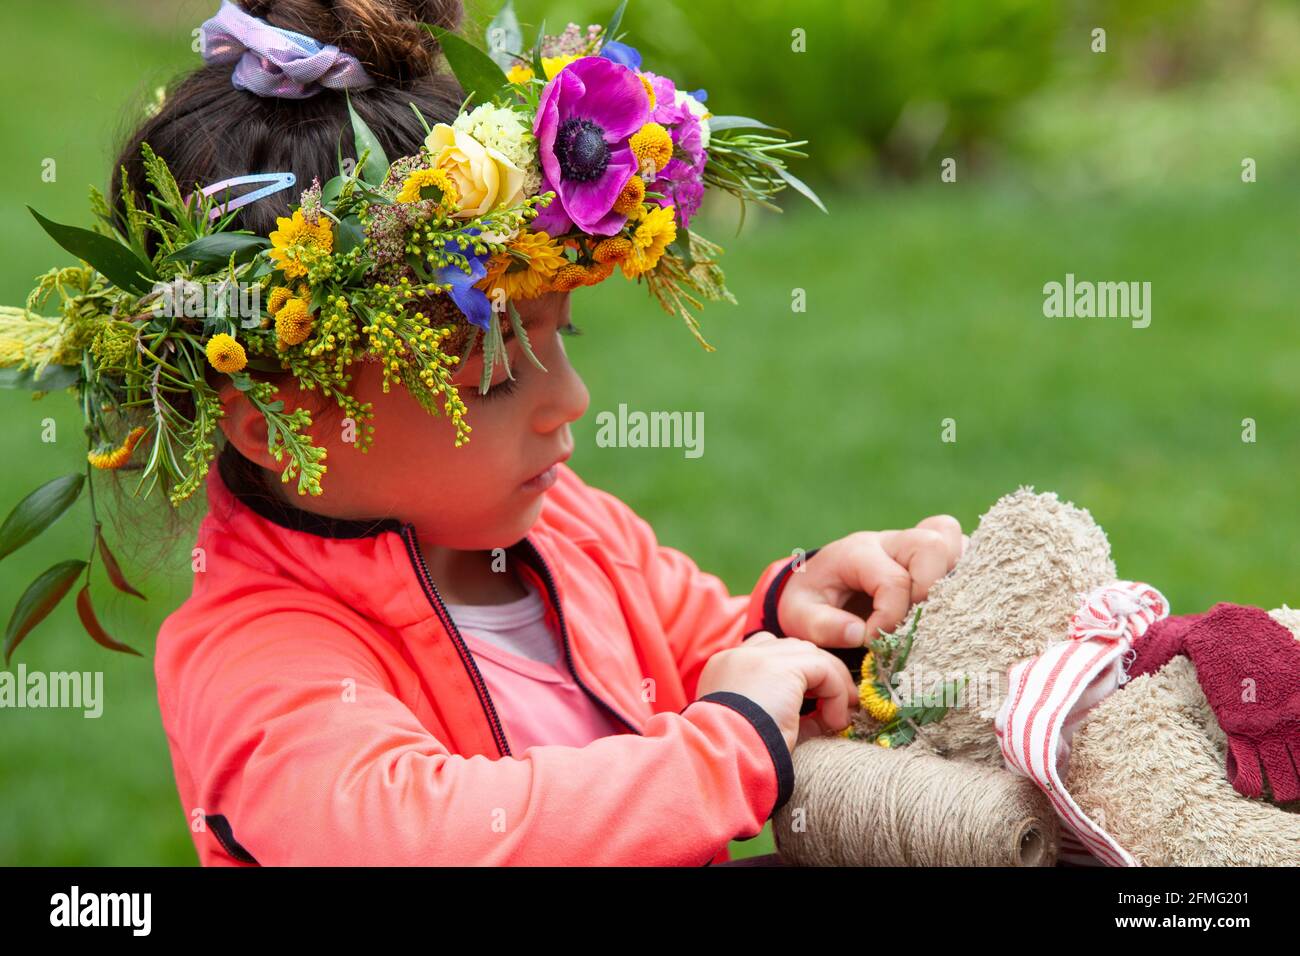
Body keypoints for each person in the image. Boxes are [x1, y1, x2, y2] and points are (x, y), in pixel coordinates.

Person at [83, 0, 969, 865]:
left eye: (562, 336)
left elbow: (708, 656)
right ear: (277, 426)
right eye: (494, 377)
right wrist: (723, 752)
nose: (572, 398)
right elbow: (426, 840)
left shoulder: (570, 530)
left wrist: (808, 618)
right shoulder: (259, 656)